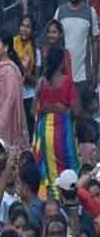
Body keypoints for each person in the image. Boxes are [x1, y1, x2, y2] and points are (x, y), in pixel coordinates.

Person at [33, 46, 79, 197]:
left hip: (45, 130)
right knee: (70, 166)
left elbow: (33, 110)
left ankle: (54, 201)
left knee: (50, 172)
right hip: (63, 130)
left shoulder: (41, 82)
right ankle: (71, 201)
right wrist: (61, 108)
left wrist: (48, 108)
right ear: (62, 62)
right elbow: (77, 111)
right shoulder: (68, 82)